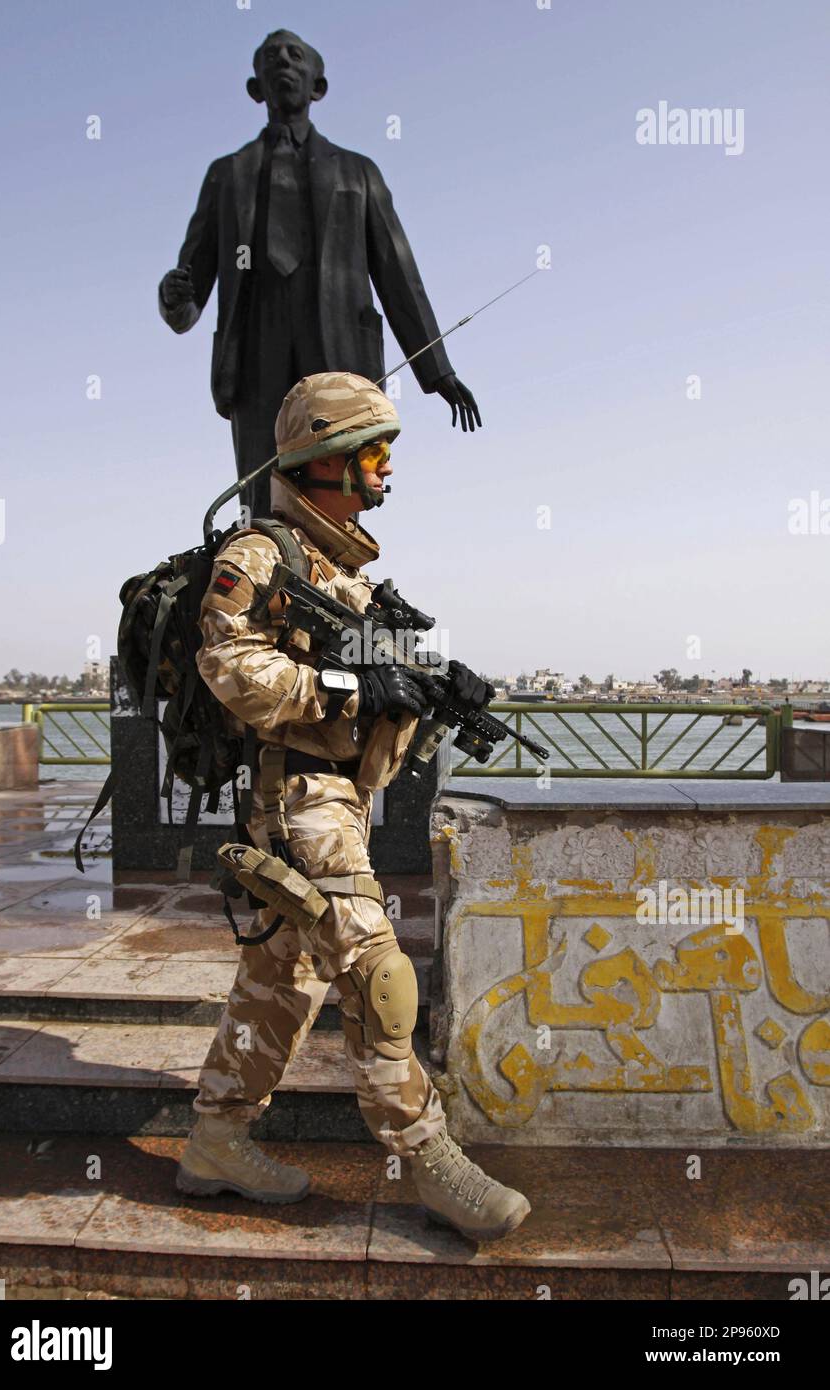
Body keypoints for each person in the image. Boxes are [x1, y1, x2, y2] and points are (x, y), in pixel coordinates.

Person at [176, 371, 530, 1242]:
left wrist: (431, 683)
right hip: (296, 800)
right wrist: (348, 685)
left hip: (338, 798)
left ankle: (216, 1141)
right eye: (372, 451)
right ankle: (430, 1161)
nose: (386, 469)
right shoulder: (259, 556)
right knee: (378, 976)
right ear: (324, 460)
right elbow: (230, 671)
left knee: (278, 980)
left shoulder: (344, 569)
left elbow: (374, 682)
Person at [158, 28, 481, 516]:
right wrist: (172, 294)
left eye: (295, 55)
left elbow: (398, 276)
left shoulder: (359, 172)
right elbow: (189, 299)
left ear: (318, 86)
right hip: (255, 356)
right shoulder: (228, 175)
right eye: (270, 58)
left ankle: (336, 588)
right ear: (255, 88)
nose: (283, 62)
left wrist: (437, 371)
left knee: (343, 489)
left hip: (341, 355)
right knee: (261, 499)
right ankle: (263, 587)